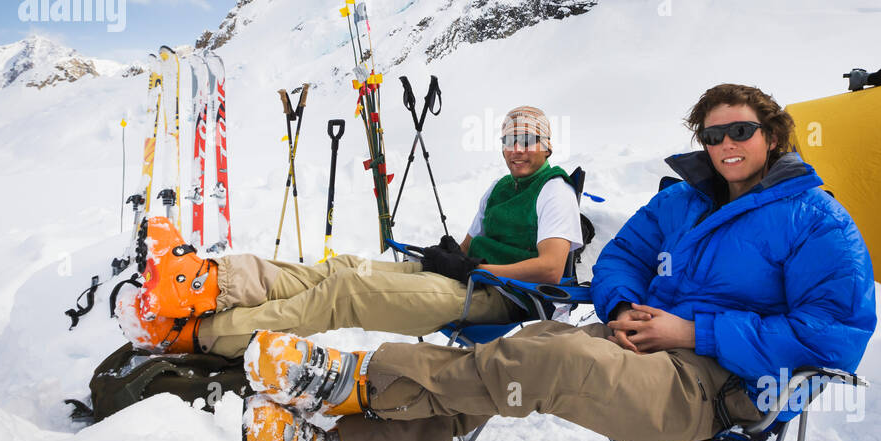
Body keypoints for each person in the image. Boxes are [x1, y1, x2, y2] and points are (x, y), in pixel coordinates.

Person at [239, 83, 879, 441]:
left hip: (716, 386)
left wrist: (695, 334)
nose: (726, 146)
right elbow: (621, 258)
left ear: (772, 133)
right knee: (516, 361)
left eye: (740, 130)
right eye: (713, 136)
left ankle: (354, 381)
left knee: (551, 362)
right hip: (633, 341)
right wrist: (625, 306)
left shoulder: (816, 220)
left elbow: (835, 335)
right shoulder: (681, 200)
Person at [114, 106, 583, 359]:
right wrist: (451, 257)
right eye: (509, 140)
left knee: (347, 292)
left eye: (527, 140)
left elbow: (550, 266)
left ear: (546, 144)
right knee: (341, 267)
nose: (517, 150)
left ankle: (203, 333)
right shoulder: (500, 188)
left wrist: (475, 267)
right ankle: (206, 281)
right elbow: (465, 249)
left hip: (501, 298)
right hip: (467, 279)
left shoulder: (553, 190)